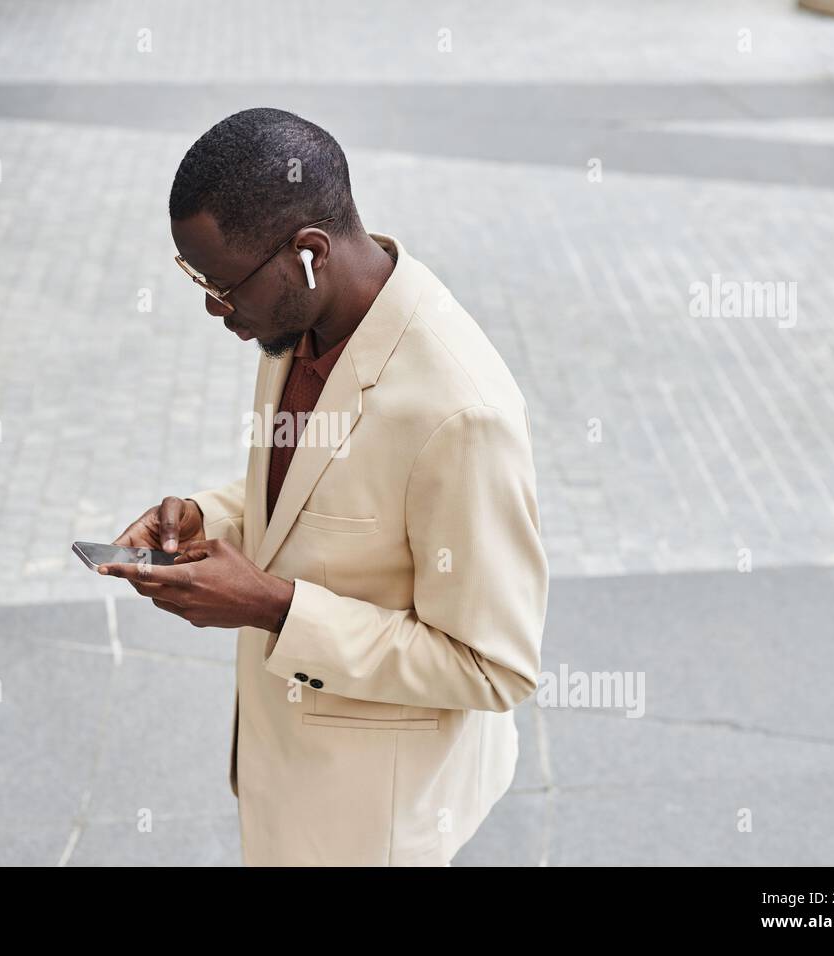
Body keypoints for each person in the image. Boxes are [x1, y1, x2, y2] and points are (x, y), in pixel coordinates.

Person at [101, 107, 549, 866]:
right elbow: (313, 493)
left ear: (308, 252)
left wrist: (272, 607)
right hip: (290, 780)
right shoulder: (295, 319)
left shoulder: (460, 413)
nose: (216, 309)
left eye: (223, 286)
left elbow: (493, 666)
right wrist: (206, 516)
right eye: (198, 280)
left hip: (374, 820)